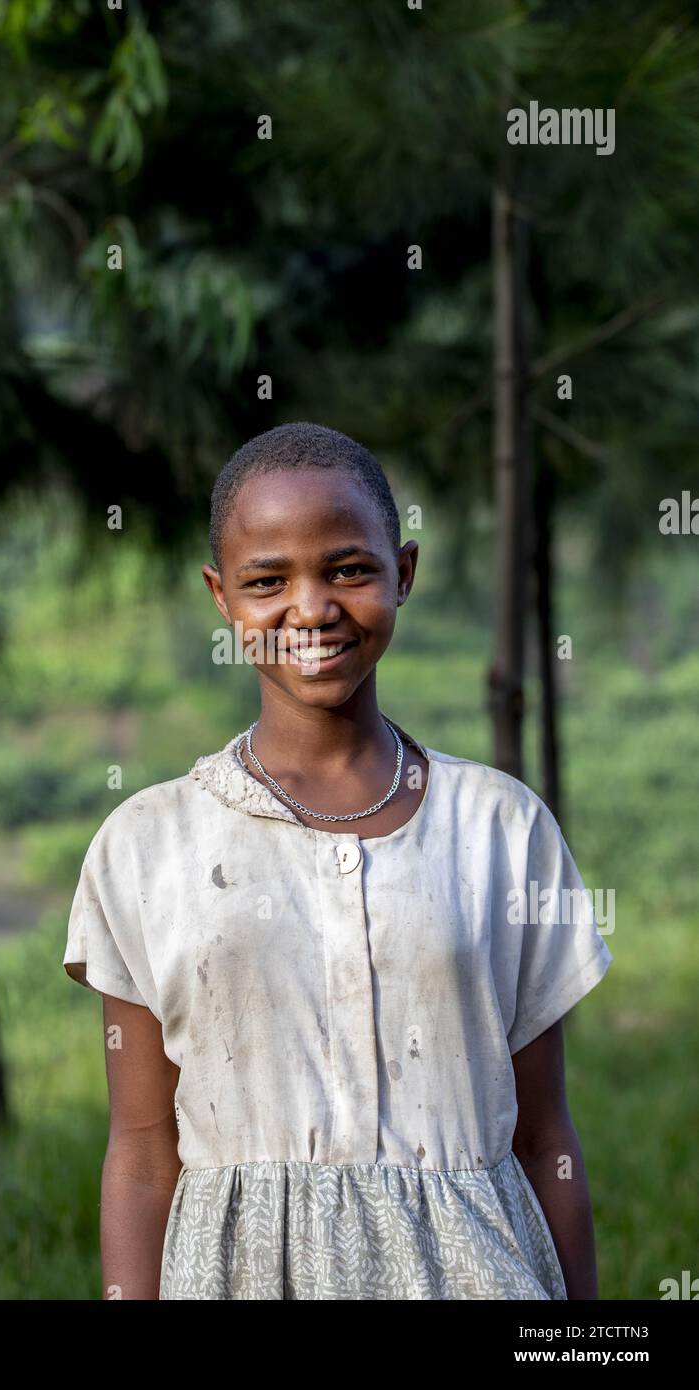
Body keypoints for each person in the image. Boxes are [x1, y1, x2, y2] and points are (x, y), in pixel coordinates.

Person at [62, 421, 613, 1301]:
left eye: (349, 569)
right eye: (268, 580)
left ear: (404, 572)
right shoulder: (146, 845)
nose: (312, 609)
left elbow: (544, 1133)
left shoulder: (502, 829)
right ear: (221, 597)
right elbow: (139, 1151)